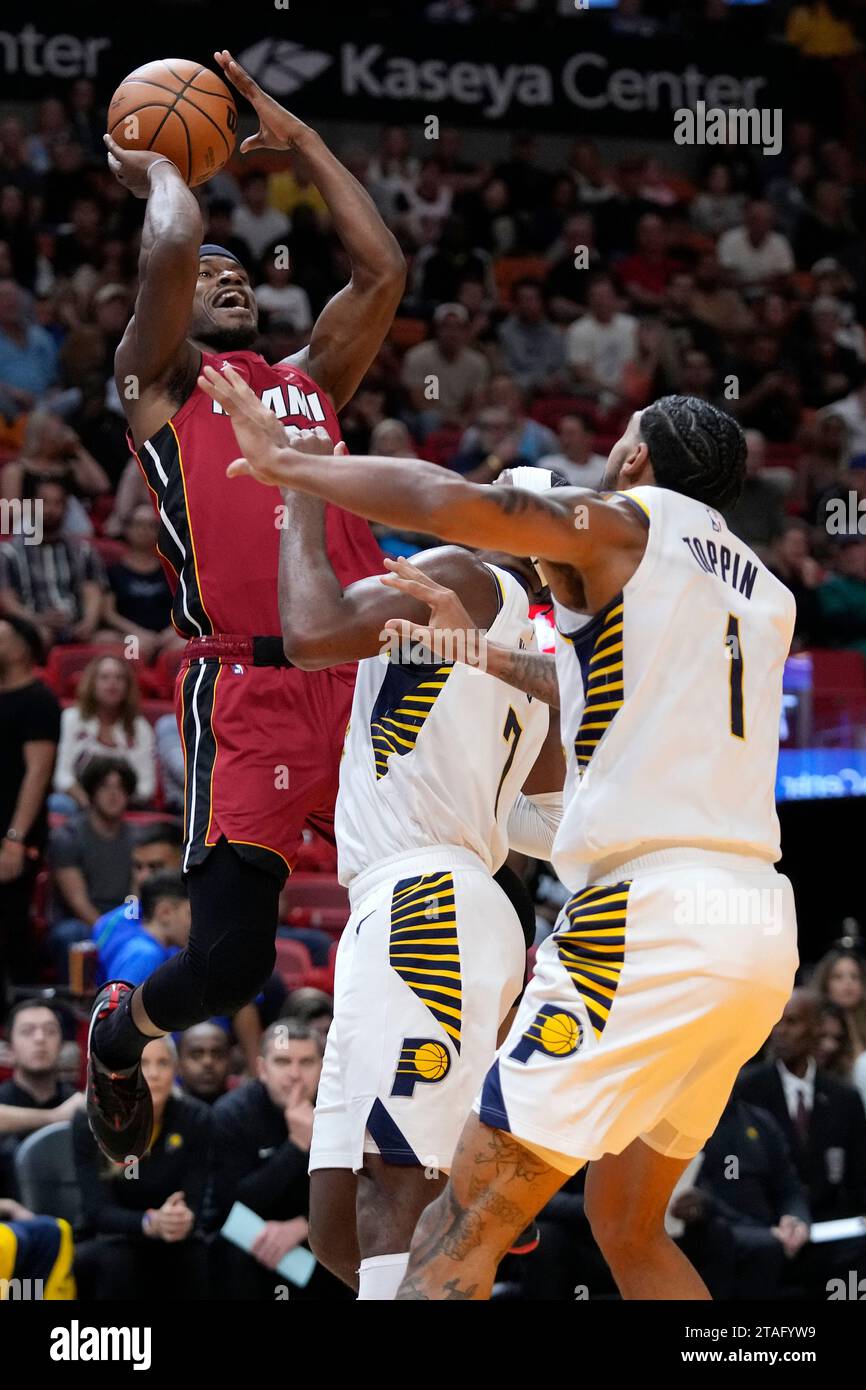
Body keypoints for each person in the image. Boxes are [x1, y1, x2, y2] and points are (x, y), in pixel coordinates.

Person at [211, 387, 800, 1301]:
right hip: (757, 923)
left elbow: (457, 503)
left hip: (643, 919)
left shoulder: (624, 527)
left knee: (448, 1236)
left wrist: (296, 467)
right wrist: (481, 656)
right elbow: (597, 693)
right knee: (628, 1230)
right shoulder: (761, 590)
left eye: (621, 442)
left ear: (635, 462)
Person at [85, 48, 405, 1167]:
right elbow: (170, 244)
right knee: (231, 965)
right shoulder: (154, 385)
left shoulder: (309, 376)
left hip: (368, 678)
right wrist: (159, 172)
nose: (222, 274)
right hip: (249, 687)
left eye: (238, 269)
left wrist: (301, 140)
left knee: (436, 899)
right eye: (205, 273)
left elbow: (380, 273)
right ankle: (120, 1036)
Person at [187, 387, 564, 1300]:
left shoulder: (466, 578)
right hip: (428, 899)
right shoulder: (544, 657)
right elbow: (543, 829)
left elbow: (311, 632)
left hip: (427, 902)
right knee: (343, 1227)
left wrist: (301, 486)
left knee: (396, 1192)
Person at [207, 1022, 347, 1300]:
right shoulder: (231, 1113)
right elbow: (230, 1202)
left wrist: (303, 1227)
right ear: (261, 1069)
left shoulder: (342, 1113)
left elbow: (355, 1194)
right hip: (248, 1235)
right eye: (283, 1062)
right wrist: (296, 1145)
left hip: (316, 1232)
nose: (295, 1075)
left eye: (306, 1062)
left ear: (323, 1068)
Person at [72, 1036, 211, 1301]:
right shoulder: (90, 1122)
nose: (155, 1074)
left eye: (163, 1063)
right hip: (111, 1237)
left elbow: (196, 1199)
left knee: (198, 1252)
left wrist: (183, 1218)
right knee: (119, 1259)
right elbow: (97, 1212)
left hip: (170, 1235)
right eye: (143, 1064)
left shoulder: (196, 1118)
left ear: (176, 1069)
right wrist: (149, 1222)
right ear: (122, 1074)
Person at [673, 1094, 810, 1300]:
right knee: (749, 1242)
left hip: (766, 1226)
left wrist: (796, 1219)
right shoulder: (683, 1128)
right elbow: (697, 1197)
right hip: (714, 1228)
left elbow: (789, 1188)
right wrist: (765, 1232)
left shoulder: (760, 1121)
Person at [0, 616, 59, 1011]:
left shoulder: (39, 700)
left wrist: (15, 839)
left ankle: (21, 1018)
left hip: (13, 837)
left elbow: (37, 773)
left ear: (22, 647)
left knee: (10, 928)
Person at [48, 756, 136, 980]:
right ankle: (77, 1005)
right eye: (105, 786)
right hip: (82, 922)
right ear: (91, 791)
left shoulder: (137, 837)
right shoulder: (68, 836)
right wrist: (110, 931)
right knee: (73, 934)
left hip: (122, 917)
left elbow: (137, 893)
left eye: (121, 787)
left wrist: (131, 922)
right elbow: (77, 901)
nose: (114, 795)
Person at [0, 477, 106, 654]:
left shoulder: (83, 551)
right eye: (44, 502)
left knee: (111, 642)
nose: (50, 510)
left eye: (58, 503)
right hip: (31, 627)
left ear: (66, 509)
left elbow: (93, 594)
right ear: (31, 505)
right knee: (40, 637)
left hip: (75, 625)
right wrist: (38, 620)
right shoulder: (9, 553)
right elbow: (7, 602)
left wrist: (87, 623)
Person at [53, 654, 156, 811]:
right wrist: (86, 800)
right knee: (58, 803)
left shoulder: (140, 727)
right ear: (92, 684)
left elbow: (146, 786)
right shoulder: (71, 718)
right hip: (78, 801)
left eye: (120, 678)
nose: (112, 683)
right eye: (104, 677)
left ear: (128, 687)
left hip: (125, 804)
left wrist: (115, 801)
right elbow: (62, 776)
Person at [0, 1000, 79, 1196]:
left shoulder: (76, 1101)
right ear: (10, 1049)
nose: (40, 1038)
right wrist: (57, 1117)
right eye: (27, 1031)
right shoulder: (3, 1098)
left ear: (62, 1046)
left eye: (50, 1031)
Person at [90, 820, 182, 983]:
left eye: (155, 867)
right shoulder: (110, 925)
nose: (143, 878)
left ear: (183, 863)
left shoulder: (200, 921)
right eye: (138, 867)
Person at [100, 503, 177, 660]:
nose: (144, 530)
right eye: (139, 524)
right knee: (134, 645)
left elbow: (181, 608)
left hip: (166, 638)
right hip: (129, 635)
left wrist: (170, 632)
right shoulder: (114, 572)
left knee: (188, 644)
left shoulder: (170, 571)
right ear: (128, 529)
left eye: (151, 525)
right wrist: (137, 632)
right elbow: (109, 613)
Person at [100, 872, 190, 990]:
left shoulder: (150, 948)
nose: (197, 922)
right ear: (165, 913)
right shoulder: (146, 955)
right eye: (190, 914)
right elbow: (121, 1005)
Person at [811, 946, 866, 1057]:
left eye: (854, 977)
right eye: (838, 977)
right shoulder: (813, 1026)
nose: (848, 983)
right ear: (825, 984)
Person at [176, 1023, 231, 1106]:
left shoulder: (244, 1110)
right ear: (178, 1064)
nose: (208, 1062)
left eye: (217, 1054)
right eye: (196, 1055)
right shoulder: (161, 1111)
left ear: (229, 1061)